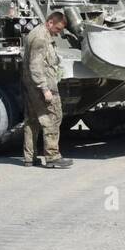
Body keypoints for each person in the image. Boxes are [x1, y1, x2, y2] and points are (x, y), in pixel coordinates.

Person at [21, 11, 72, 169]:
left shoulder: (40, 33)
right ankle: (52, 157)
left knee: (32, 120)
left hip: (31, 84)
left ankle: (29, 157)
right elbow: (35, 66)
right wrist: (44, 89)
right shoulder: (41, 38)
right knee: (53, 117)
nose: (58, 33)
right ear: (50, 22)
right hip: (41, 85)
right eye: (57, 29)